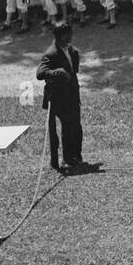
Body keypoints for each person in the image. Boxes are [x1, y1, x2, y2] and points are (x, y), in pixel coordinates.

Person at [36, 23, 88, 174]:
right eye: (68, 34)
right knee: (67, 128)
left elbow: (73, 71)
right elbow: (40, 73)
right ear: (59, 37)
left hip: (72, 95)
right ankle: (67, 158)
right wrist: (57, 72)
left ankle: (76, 155)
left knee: (76, 127)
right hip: (59, 98)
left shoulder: (71, 50)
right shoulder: (51, 54)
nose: (71, 37)